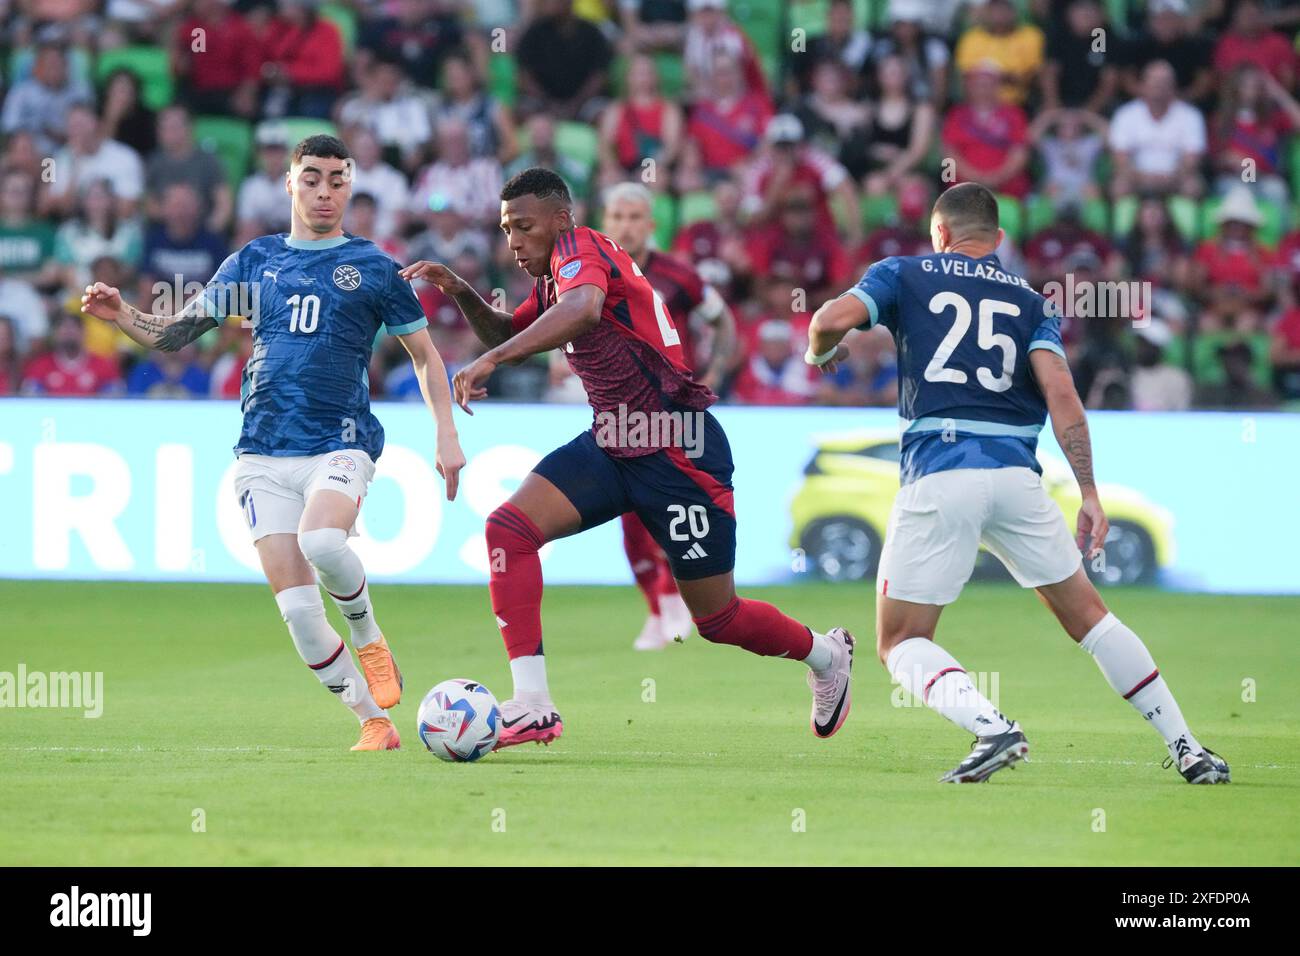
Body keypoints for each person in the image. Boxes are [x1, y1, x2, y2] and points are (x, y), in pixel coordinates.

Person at [401, 167, 854, 750]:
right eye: (505, 228)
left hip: (677, 445)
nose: (512, 241)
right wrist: (460, 289)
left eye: (523, 226)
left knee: (717, 619)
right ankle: (534, 704)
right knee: (508, 531)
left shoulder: (580, 248)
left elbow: (585, 310)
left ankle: (826, 653)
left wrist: (492, 362)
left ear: (561, 220)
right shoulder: (552, 279)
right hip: (615, 440)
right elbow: (508, 333)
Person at [805, 182, 1230, 785]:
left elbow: (828, 320)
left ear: (940, 233)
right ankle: (1187, 746)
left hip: (941, 475)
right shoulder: (1032, 302)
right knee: (1092, 619)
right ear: (998, 240)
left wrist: (819, 354)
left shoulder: (903, 273)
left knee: (900, 640)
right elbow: (1063, 397)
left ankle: (991, 728)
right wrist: (1088, 491)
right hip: (1016, 479)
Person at [81, 134, 466, 752]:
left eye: (338, 179)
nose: (324, 190)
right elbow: (178, 333)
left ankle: (370, 638)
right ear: (289, 183)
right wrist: (123, 313)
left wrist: (446, 435)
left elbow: (424, 356)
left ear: (350, 186)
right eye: (311, 177)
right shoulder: (254, 261)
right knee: (300, 616)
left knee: (321, 540)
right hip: (260, 451)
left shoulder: (373, 267)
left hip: (339, 441)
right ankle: (373, 720)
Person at [602, 181, 737, 649]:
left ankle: (676, 600)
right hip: (618, 412)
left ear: (651, 224)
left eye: (634, 217)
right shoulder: (590, 274)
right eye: (617, 217)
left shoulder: (680, 275)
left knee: (672, 509)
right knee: (630, 519)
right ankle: (657, 610)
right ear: (606, 222)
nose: (625, 225)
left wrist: (716, 371)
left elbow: (723, 322)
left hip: (674, 413)